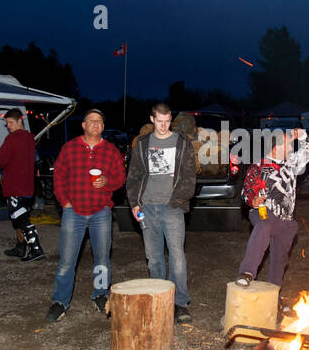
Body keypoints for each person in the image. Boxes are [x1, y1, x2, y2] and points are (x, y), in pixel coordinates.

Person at [48, 108, 126, 322]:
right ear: (83, 125)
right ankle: (60, 301)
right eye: (91, 120)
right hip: (74, 212)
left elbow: (120, 177)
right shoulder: (70, 148)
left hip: (101, 211)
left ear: (102, 127)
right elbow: (59, 178)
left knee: (102, 259)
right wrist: (65, 203)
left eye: (99, 121)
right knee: (67, 260)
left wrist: (108, 182)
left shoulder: (110, 150)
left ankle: (100, 295)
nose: (95, 124)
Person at [126, 103, 197, 323]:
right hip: (147, 207)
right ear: (152, 119)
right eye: (159, 121)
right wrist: (135, 203)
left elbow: (189, 177)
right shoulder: (143, 144)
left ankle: (180, 303)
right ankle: (159, 299)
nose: (164, 125)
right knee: (154, 258)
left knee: (177, 257)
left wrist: (175, 201)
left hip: (172, 208)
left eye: (167, 121)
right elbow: (134, 175)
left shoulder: (182, 143)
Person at [235, 128, 309, 287]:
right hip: (264, 212)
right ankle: (247, 271)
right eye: (288, 145)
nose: (292, 148)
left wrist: (303, 135)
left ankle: (274, 299)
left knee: (279, 261)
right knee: (264, 226)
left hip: (286, 220)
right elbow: (246, 190)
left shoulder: (291, 164)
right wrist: (253, 200)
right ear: (276, 147)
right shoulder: (258, 167)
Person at [0, 108, 45, 261]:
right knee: (19, 217)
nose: (9, 126)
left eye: (11, 122)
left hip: (15, 186)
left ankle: (36, 249)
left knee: (22, 219)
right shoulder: (31, 139)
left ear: (19, 121)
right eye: (7, 123)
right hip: (28, 186)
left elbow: (2, 160)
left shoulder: (12, 139)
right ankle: (20, 246)